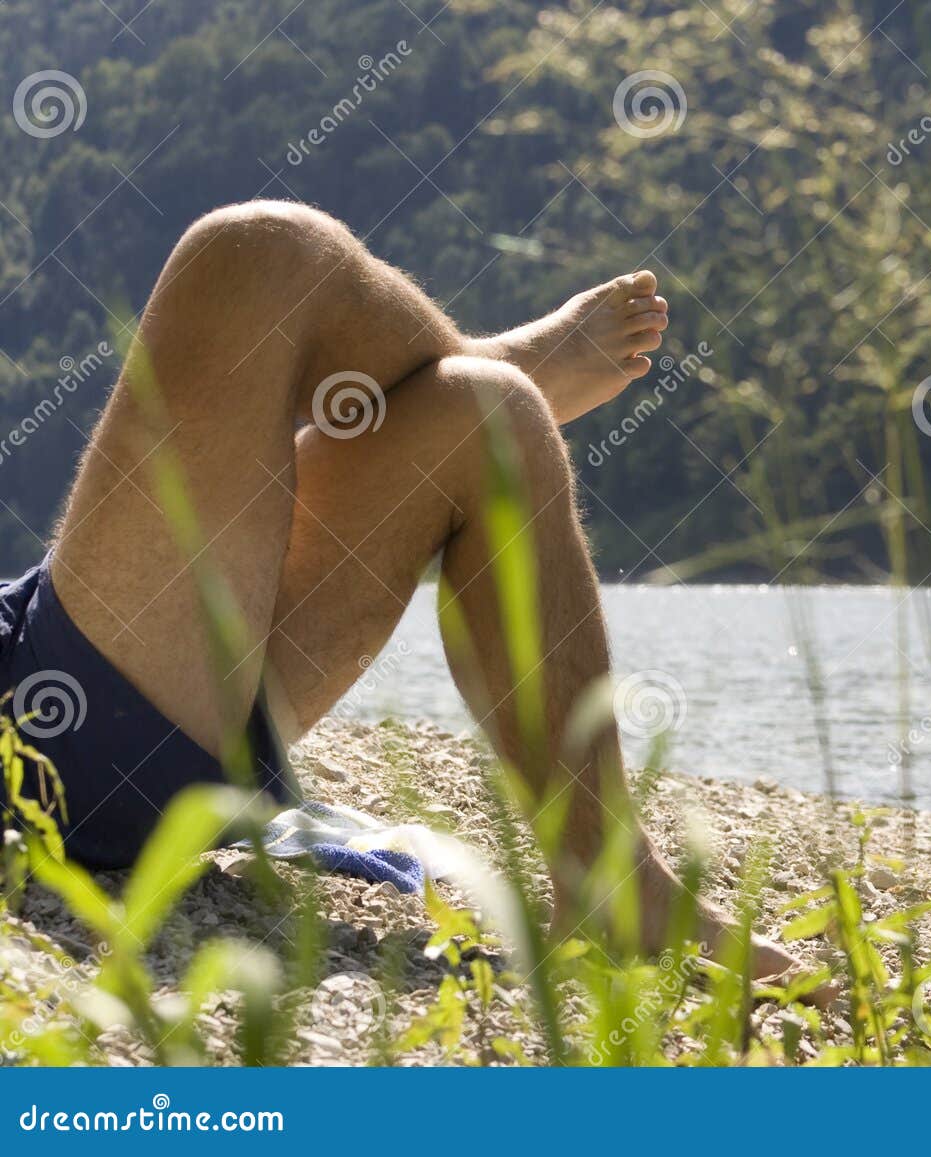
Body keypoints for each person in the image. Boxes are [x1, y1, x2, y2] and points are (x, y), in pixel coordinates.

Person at [0, 200, 801, 981]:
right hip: (46, 721)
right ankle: (511, 359)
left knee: (493, 419)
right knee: (257, 255)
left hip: (118, 702)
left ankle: (611, 883)